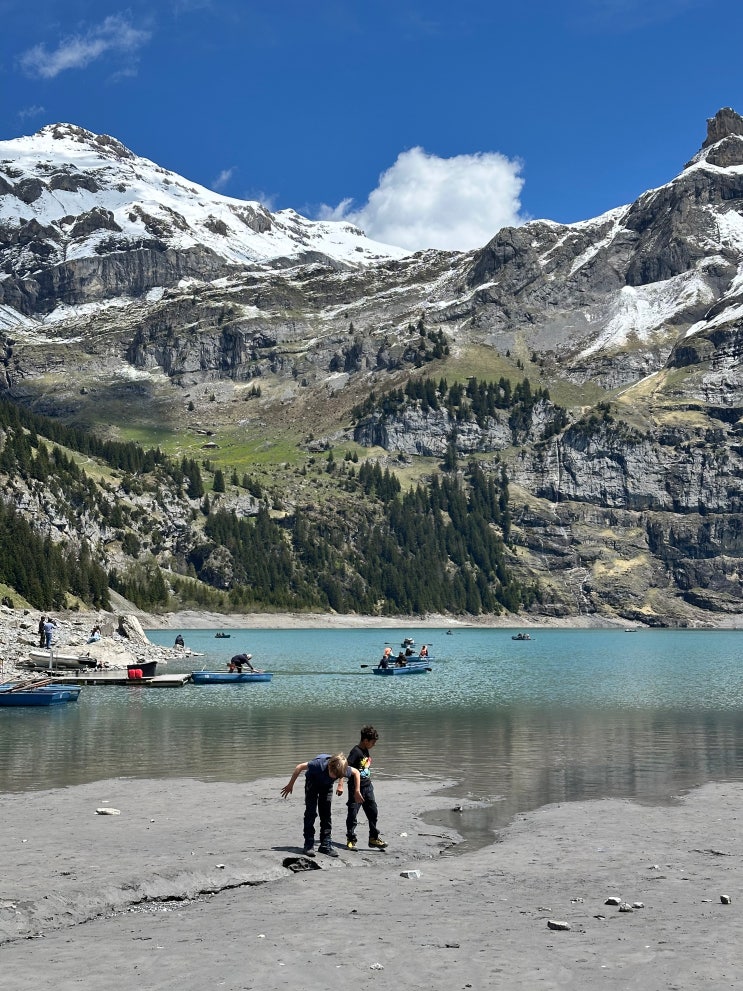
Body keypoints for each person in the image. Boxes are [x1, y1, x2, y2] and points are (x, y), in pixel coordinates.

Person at [281, 753, 362, 857]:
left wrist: (356, 790)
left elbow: (356, 773)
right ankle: (309, 844)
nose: (336, 777)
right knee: (311, 813)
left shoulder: (340, 770)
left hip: (327, 786)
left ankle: (325, 845)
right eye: (335, 775)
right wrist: (290, 785)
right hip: (312, 783)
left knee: (326, 815)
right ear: (329, 766)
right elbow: (299, 767)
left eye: (338, 776)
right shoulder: (318, 765)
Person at [339, 725, 387, 851]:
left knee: (373, 813)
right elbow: (344, 768)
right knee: (352, 814)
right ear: (365, 740)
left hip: (368, 787)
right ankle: (351, 839)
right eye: (373, 742)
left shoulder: (365, 750)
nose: (374, 745)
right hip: (355, 789)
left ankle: (373, 838)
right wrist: (340, 784)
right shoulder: (355, 752)